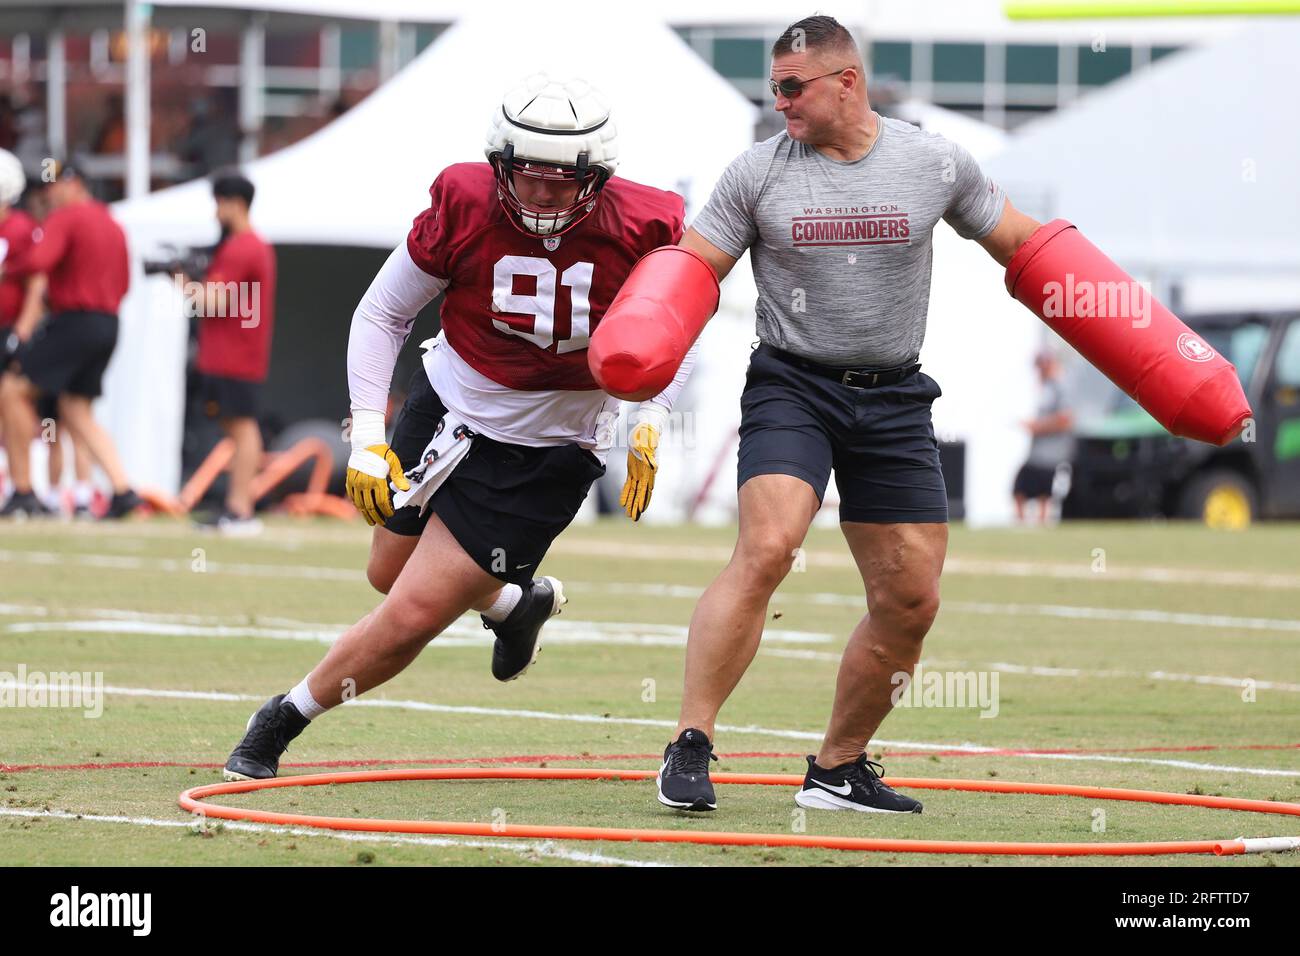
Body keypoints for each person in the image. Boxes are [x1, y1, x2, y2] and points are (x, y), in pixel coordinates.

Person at [222, 74, 693, 781]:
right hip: (444, 403)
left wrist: (652, 410)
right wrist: (367, 436)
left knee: (412, 611)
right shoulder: (464, 203)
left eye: (562, 183)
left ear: (597, 177)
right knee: (387, 574)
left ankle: (279, 722)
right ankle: (514, 605)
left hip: (544, 454)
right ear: (500, 167)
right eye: (528, 179)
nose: (542, 197)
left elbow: (680, 319)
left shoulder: (644, 224)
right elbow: (381, 312)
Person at [653, 16, 1043, 813]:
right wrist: (649, 386)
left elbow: (1016, 239)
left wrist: (1102, 306)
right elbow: (691, 276)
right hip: (793, 386)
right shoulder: (755, 173)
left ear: (846, 82)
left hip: (896, 394)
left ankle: (837, 769)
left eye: (794, 88)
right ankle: (690, 744)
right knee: (768, 548)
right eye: (775, 88)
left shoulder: (931, 160)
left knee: (912, 600)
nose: (781, 101)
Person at [0, 163, 141, 519]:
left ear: (72, 183)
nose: (48, 196)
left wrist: (10, 269)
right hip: (107, 324)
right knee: (77, 410)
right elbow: (125, 282)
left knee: (12, 390)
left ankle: (23, 490)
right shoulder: (111, 221)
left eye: (52, 187)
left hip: (75, 321)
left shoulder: (68, 217)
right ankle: (123, 491)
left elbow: (39, 260)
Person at [191, 172, 277, 535]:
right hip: (232, 356)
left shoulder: (243, 246)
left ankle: (241, 510)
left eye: (219, 204)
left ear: (234, 203)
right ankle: (236, 508)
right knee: (237, 428)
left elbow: (212, 300)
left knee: (242, 430)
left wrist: (182, 282)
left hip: (234, 357)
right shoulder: (248, 246)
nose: (216, 213)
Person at [1013, 349, 1074, 524]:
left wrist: (1037, 427)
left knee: (1043, 494)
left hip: (1051, 454)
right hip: (1037, 452)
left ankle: (1042, 524)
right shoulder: (1046, 387)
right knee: (1021, 489)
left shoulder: (1060, 386)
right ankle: (1023, 524)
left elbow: (1065, 419)